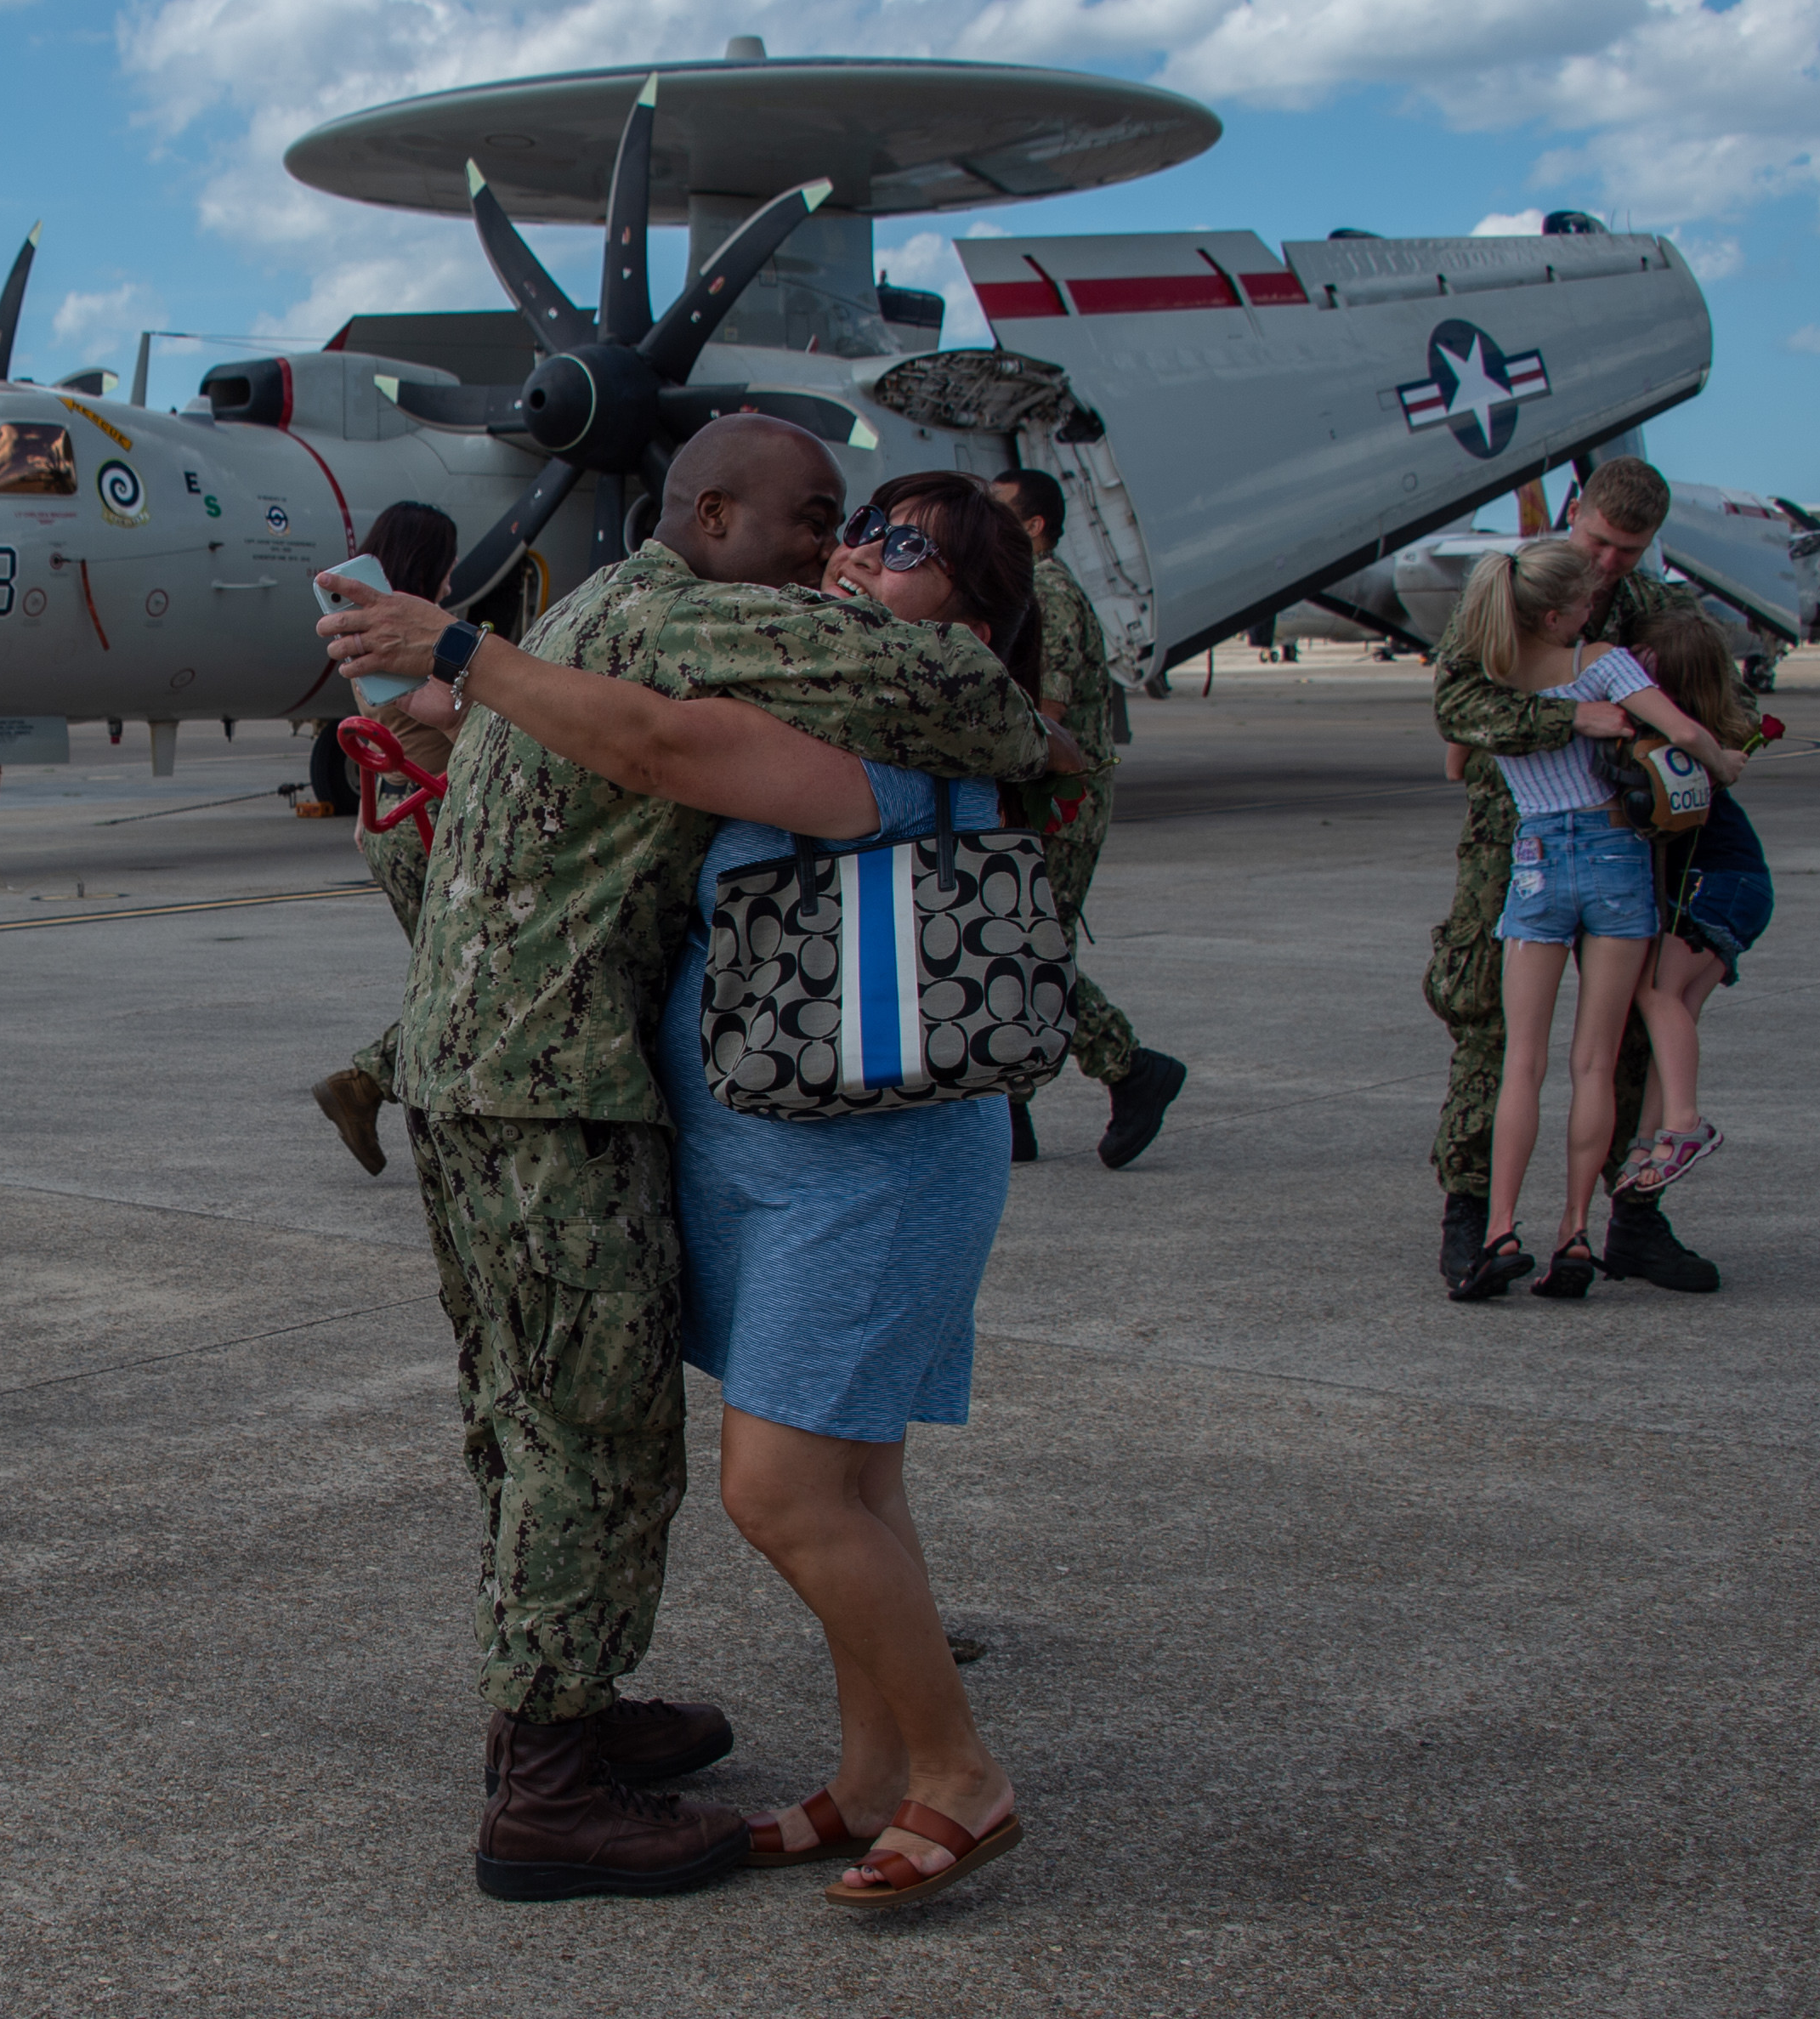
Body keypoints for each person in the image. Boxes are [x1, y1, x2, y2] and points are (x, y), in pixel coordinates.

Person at [317, 415, 1073, 1904]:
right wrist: (462, 731)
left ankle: (952, 1778)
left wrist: (462, 657)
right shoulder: (763, 671)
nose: (845, 553)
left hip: (859, 1167)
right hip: (764, 1160)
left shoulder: (896, 732)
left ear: (975, 617)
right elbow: (611, 767)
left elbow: (658, 743)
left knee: (774, 1486)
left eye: (893, 541)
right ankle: (855, 1776)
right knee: (818, 1477)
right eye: (845, 528)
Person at [1427, 457, 1711, 1290]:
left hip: (1630, 842)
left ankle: (1628, 1217)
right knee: (1488, 1029)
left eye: (1630, 549)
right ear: (1572, 510)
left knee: (1622, 1046)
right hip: (1504, 846)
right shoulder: (1512, 589)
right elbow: (1456, 706)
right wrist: (1572, 715)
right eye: (1599, 540)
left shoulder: (1654, 608)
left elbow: (1705, 702)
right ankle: (1471, 1213)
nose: (1609, 562)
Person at [991, 468, 1187, 1166]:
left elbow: (1050, 717)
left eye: (1000, 508)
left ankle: (1132, 1068)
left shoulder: (1050, 592)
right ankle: (1008, 1108)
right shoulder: (1026, 586)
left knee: (1033, 949)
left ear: (1035, 525)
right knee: (1019, 947)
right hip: (1043, 797)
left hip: (1059, 803)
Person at [309, 500, 459, 1176]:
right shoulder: (410, 646)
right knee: (465, 979)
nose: (452, 584)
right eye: (447, 568)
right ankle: (368, 1083)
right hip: (428, 819)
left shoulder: (362, 637)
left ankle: (369, 1088)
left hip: (388, 821)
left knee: (451, 977)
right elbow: (470, 727)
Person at [1620, 608, 1773, 1197]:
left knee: (1657, 990)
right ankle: (1651, 1138)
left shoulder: (1675, 740)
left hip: (1721, 879)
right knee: (1676, 1006)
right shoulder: (1706, 729)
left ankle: (1684, 1123)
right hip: (1739, 882)